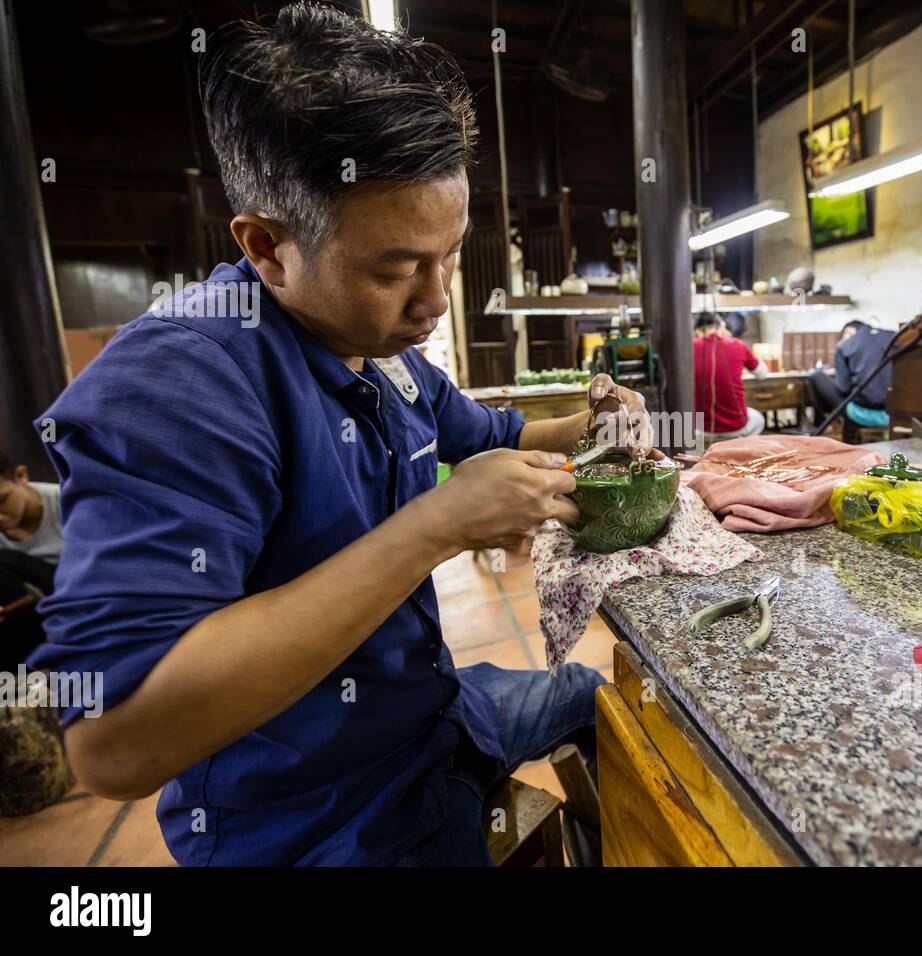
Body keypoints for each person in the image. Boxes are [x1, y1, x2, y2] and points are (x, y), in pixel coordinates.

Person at [27, 3, 653, 867]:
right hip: (315, 815)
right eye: (396, 269)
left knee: (603, 697)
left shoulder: (380, 351)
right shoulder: (183, 384)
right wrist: (433, 528)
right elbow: (114, 743)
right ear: (267, 246)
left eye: (451, 255)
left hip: (433, 721)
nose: (434, 303)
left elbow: (497, 430)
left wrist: (599, 419)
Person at [0, 449, 62, 671]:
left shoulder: (67, 502)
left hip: (81, 586)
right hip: (33, 609)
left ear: (21, 476)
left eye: (1, 500)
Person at [693, 312, 767, 442]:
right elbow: (762, 373)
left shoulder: (688, 348)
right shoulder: (739, 345)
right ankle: (739, 449)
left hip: (698, 429)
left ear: (697, 331)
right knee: (758, 419)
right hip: (735, 428)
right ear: (721, 327)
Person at [809, 319, 893, 421]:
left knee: (816, 376)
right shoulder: (893, 337)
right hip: (894, 413)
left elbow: (844, 389)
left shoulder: (845, 345)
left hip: (861, 414)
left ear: (850, 331)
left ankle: (825, 420)